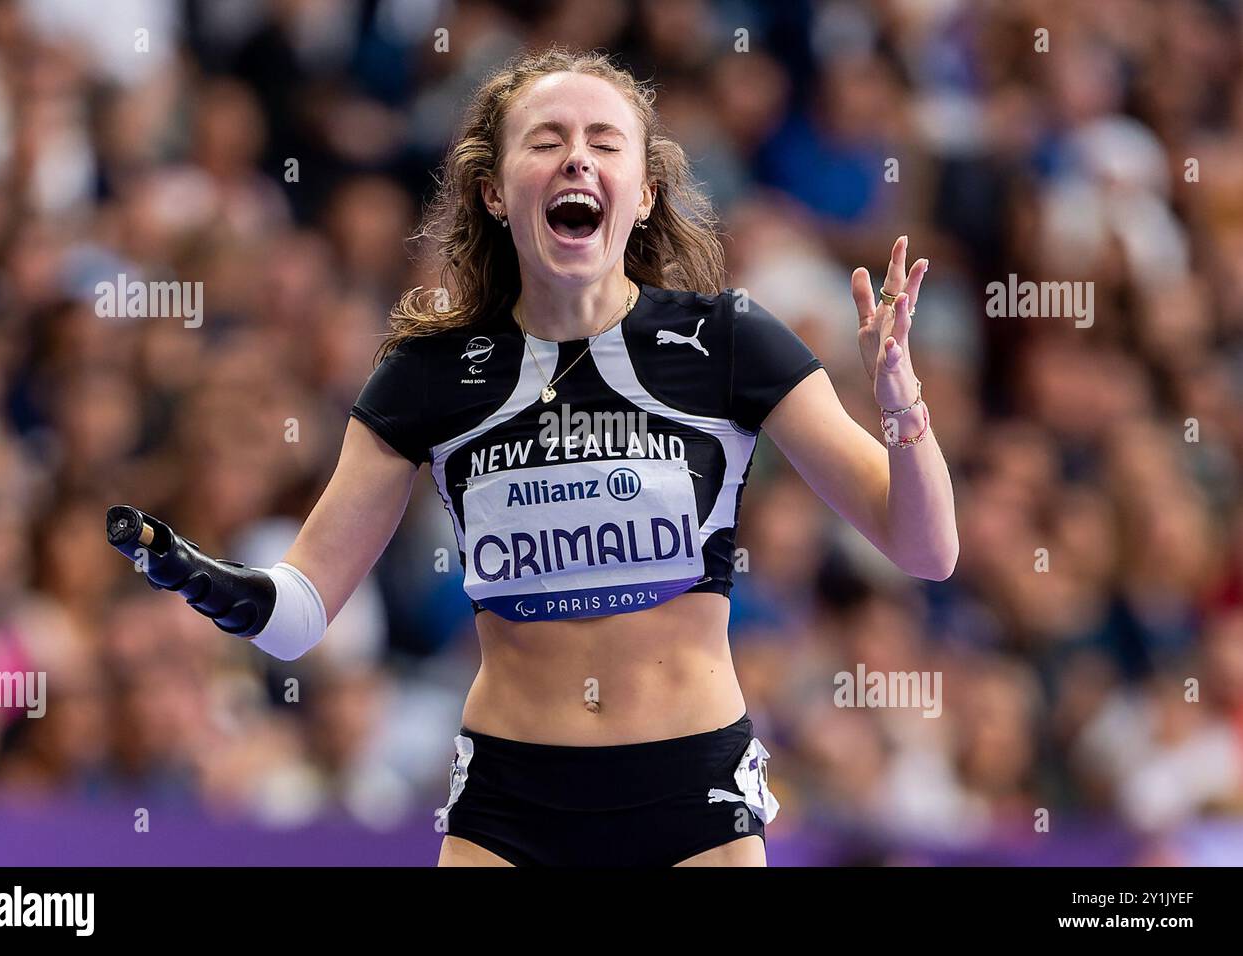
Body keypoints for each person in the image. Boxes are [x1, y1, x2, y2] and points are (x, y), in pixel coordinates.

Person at [106, 46, 957, 867]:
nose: (576, 159)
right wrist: (202, 580)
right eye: (546, 141)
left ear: (647, 193)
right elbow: (299, 613)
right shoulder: (428, 376)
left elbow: (926, 548)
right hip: (512, 807)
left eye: (604, 142)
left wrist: (899, 409)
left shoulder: (728, 342)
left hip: (692, 795)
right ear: (492, 193)